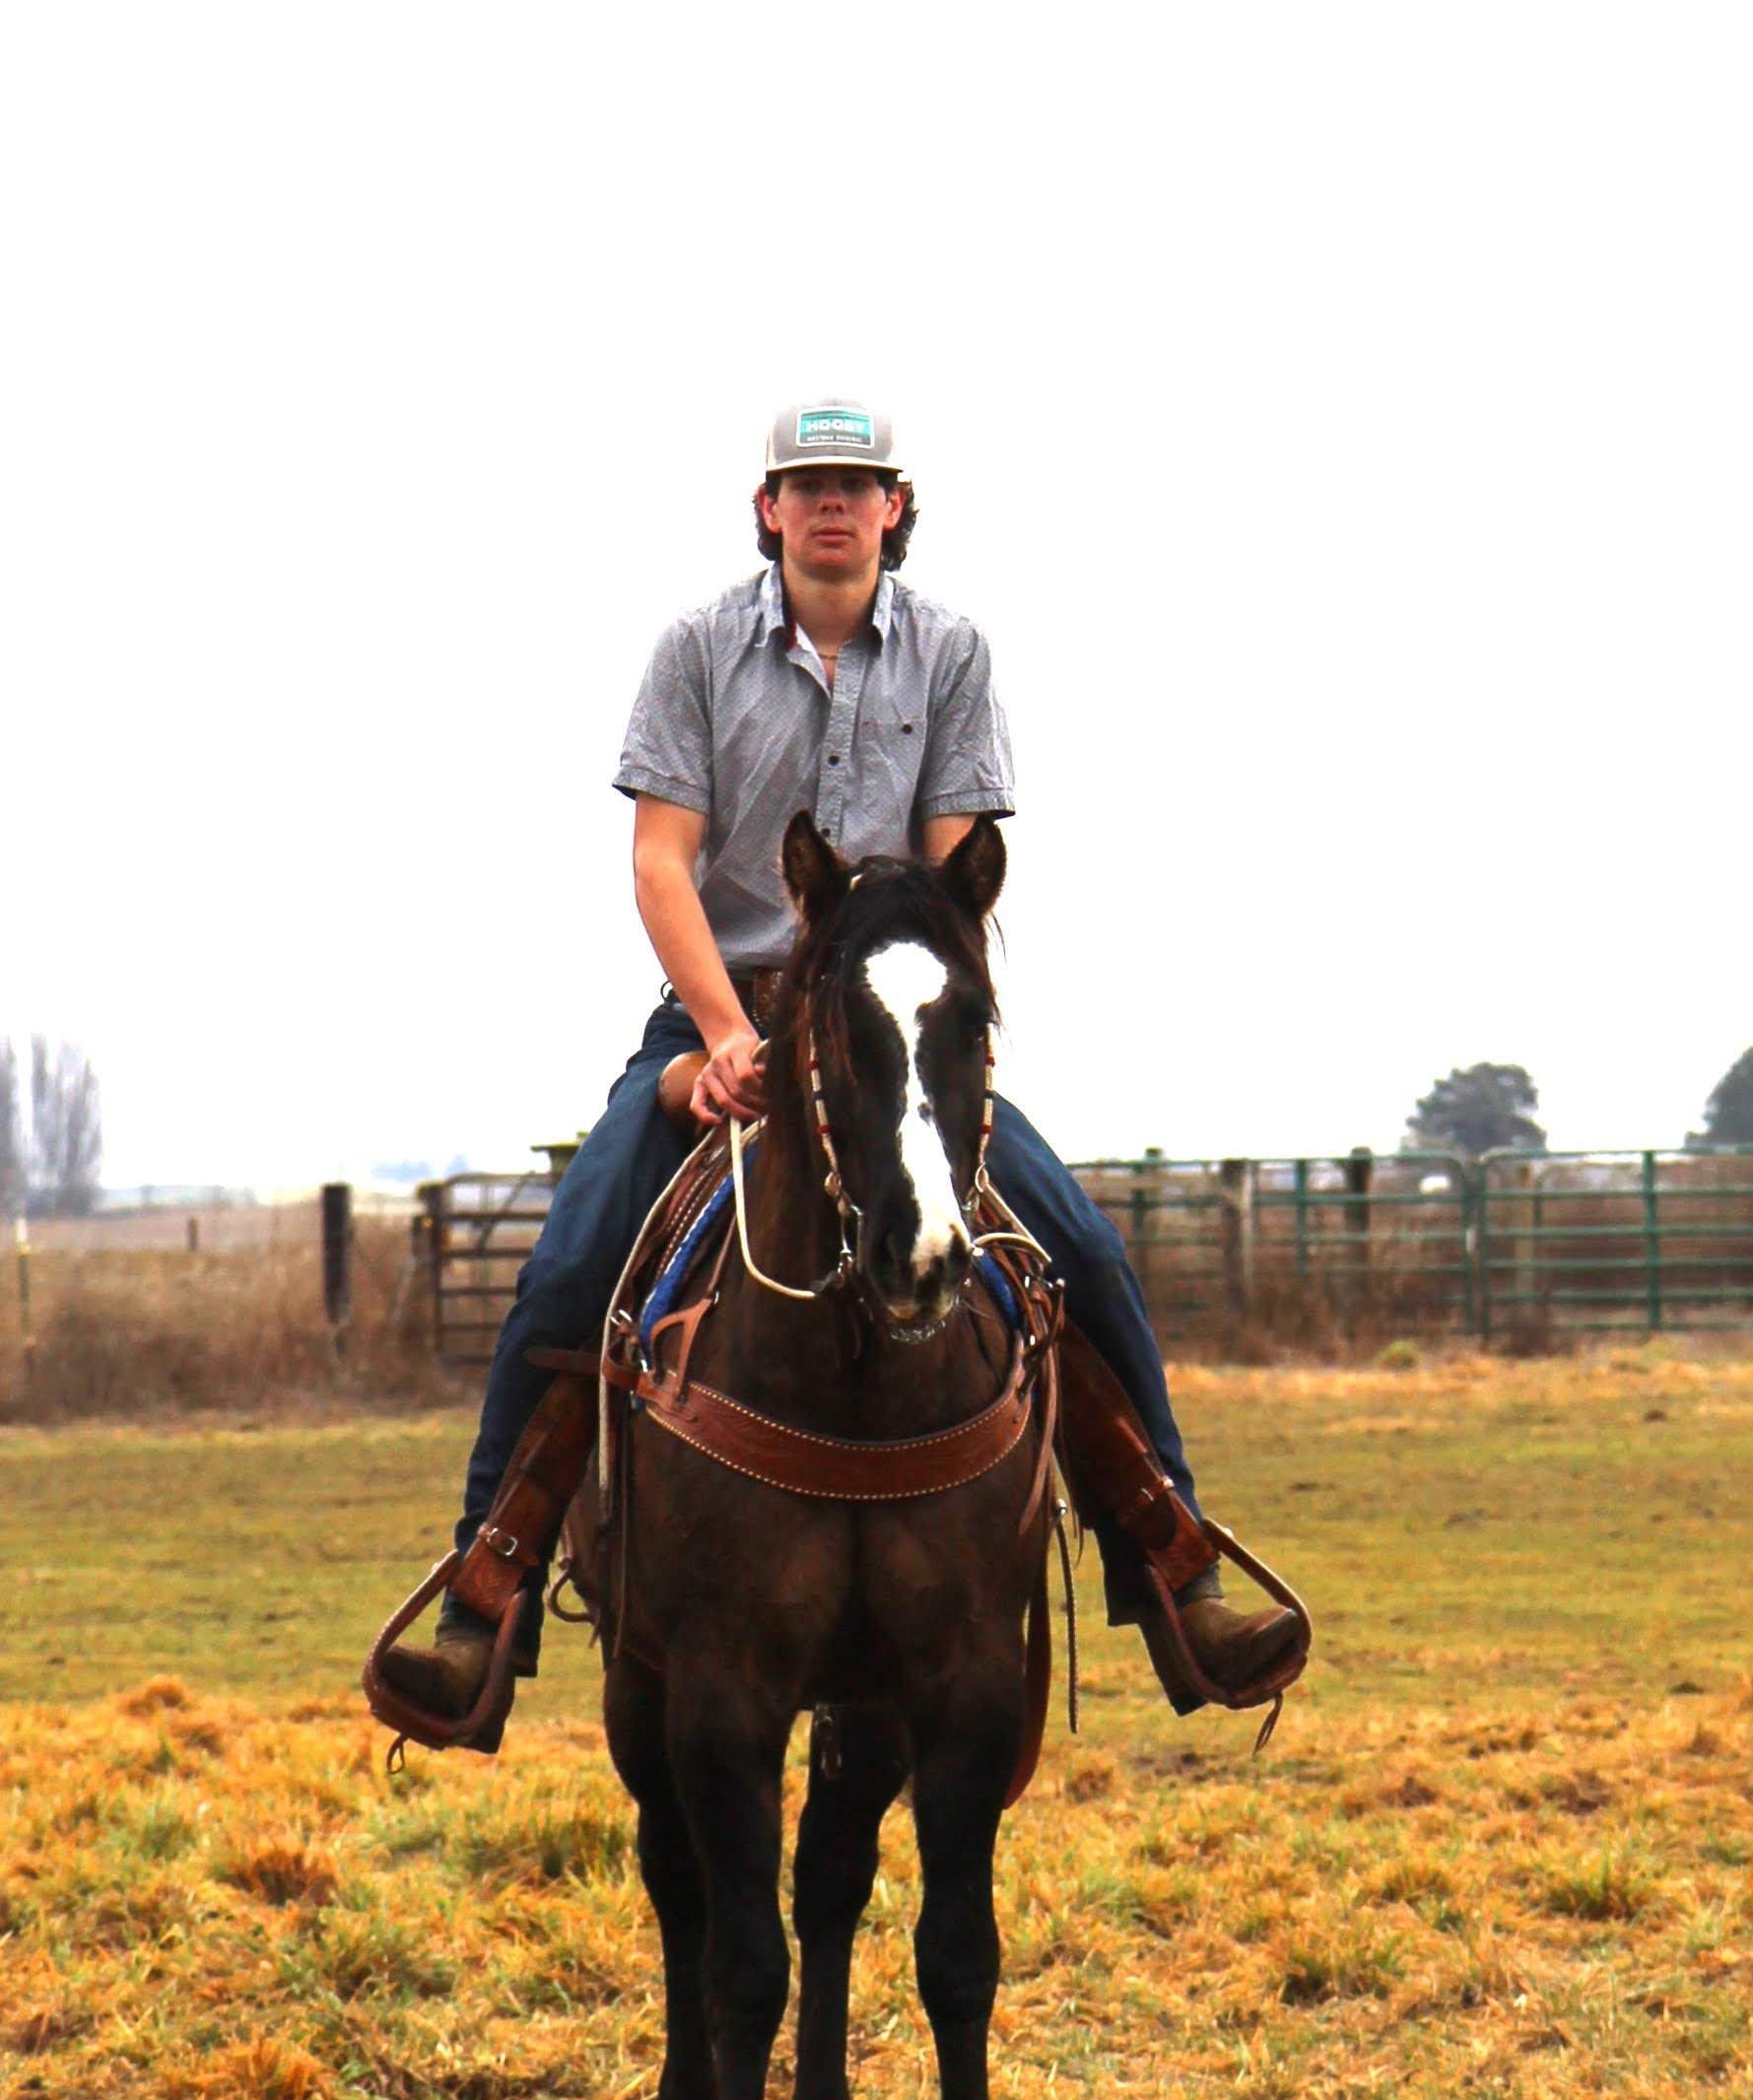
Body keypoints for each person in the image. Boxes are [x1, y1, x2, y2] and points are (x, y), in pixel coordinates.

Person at [371, 397, 1306, 1746]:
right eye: (805, 482)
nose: (830, 505)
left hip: (887, 1019)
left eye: (855, 485)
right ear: (767, 508)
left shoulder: (953, 653)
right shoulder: (696, 650)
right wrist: (723, 1038)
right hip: (724, 1010)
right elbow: (658, 861)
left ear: (894, 508)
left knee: (1082, 1256)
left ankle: (1175, 1561)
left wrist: (903, 1018)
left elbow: (954, 869)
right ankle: (487, 1590)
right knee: (573, 1266)